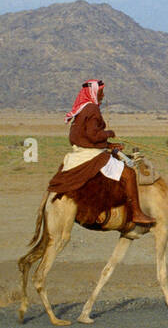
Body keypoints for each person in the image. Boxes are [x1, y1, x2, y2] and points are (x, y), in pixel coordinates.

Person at [48, 79, 155, 226]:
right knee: (129, 174)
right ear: (93, 93)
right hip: (91, 154)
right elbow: (93, 135)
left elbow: (83, 136)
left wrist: (108, 145)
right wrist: (109, 133)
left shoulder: (82, 109)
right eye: (100, 92)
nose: (103, 96)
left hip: (81, 151)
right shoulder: (92, 109)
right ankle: (136, 213)